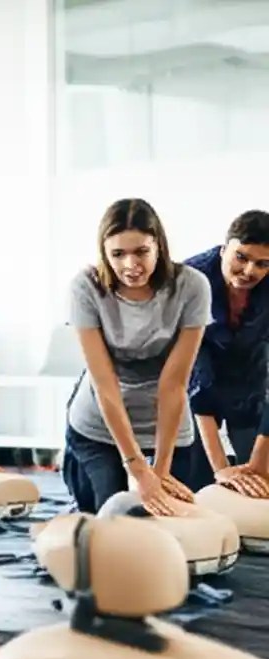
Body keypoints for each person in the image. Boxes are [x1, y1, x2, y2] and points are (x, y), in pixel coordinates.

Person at [63, 198, 211, 517]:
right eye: (118, 254)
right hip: (99, 429)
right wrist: (136, 466)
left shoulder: (192, 287)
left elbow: (174, 384)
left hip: (166, 430)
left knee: (168, 519)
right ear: (105, 253)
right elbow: (106, 385)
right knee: (115, 515)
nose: (131, 265)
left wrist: (159, 469)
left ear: (158, 245)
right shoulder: (85, 287)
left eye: (141, 251)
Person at [185, 210, 269, 498]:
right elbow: (197, 378)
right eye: (241, 257)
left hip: (249, 375)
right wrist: (221, 468)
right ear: (224, 250)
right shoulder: (190, 281)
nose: (249, 271)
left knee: (259, 480)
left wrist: (259, 461)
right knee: (197, 478)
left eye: (262, 264)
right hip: (195, 378)